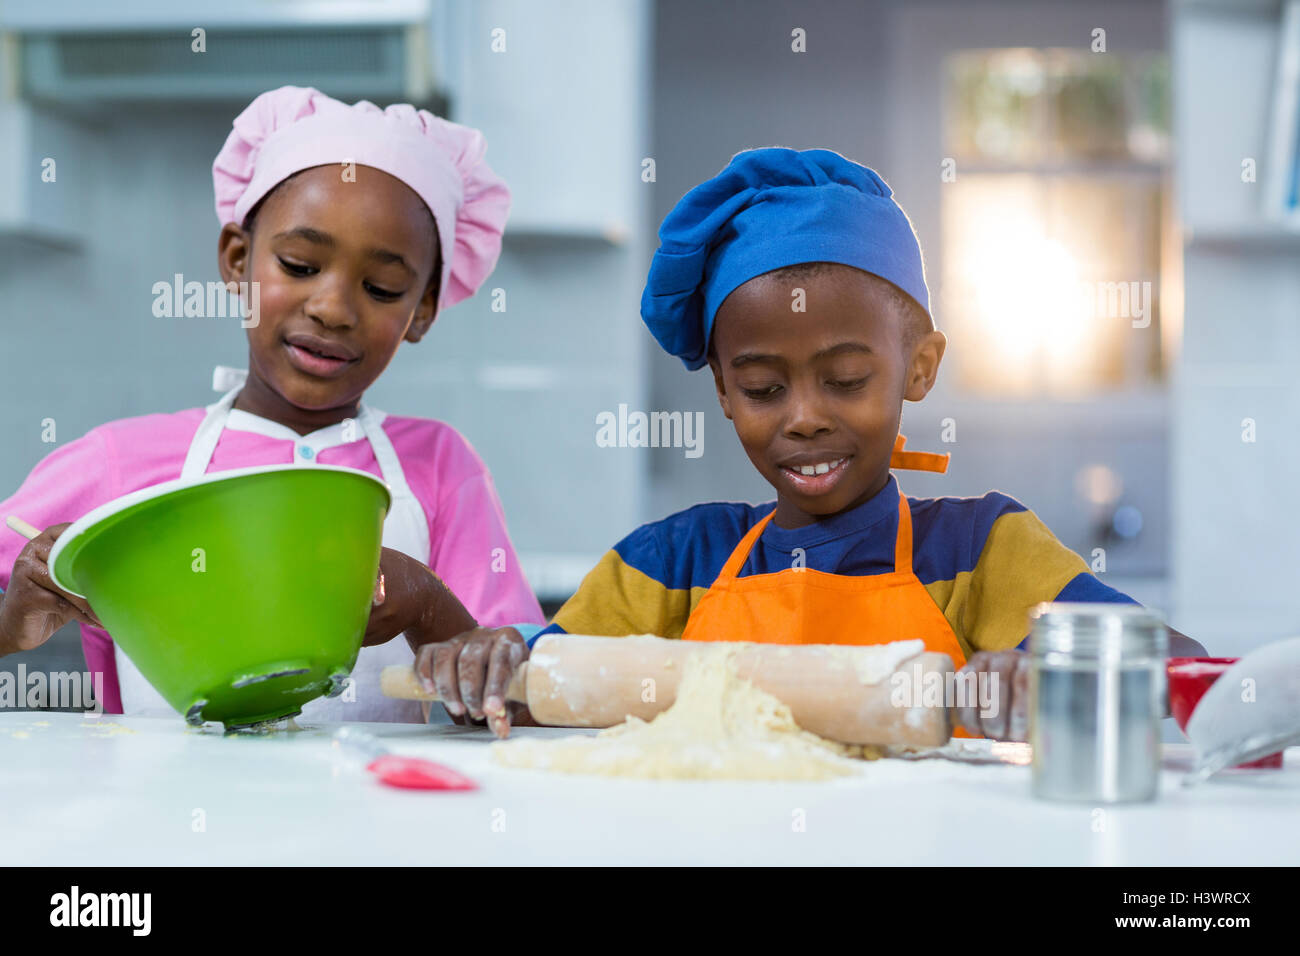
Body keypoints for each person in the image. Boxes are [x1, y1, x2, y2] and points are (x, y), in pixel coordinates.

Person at [429, 147, 1204, 740]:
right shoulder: (669, 564)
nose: (803, 418)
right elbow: (536, 691)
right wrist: (489, 662)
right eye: (766, 389)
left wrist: (1059, 673)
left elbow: (1179, 661)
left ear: (919, 368)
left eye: (844, 380)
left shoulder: (984, 553)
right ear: (726, 395)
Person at [0, 86, 543, 723]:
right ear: (237, 259)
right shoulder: (118, 461)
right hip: (153, 820)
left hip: (379, 824)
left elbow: (520, 701)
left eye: (382, 287)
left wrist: (426, 602)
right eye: (299, 264)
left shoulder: (443, 467)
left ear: (422, 308)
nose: (333, 308)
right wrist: (12, 625)